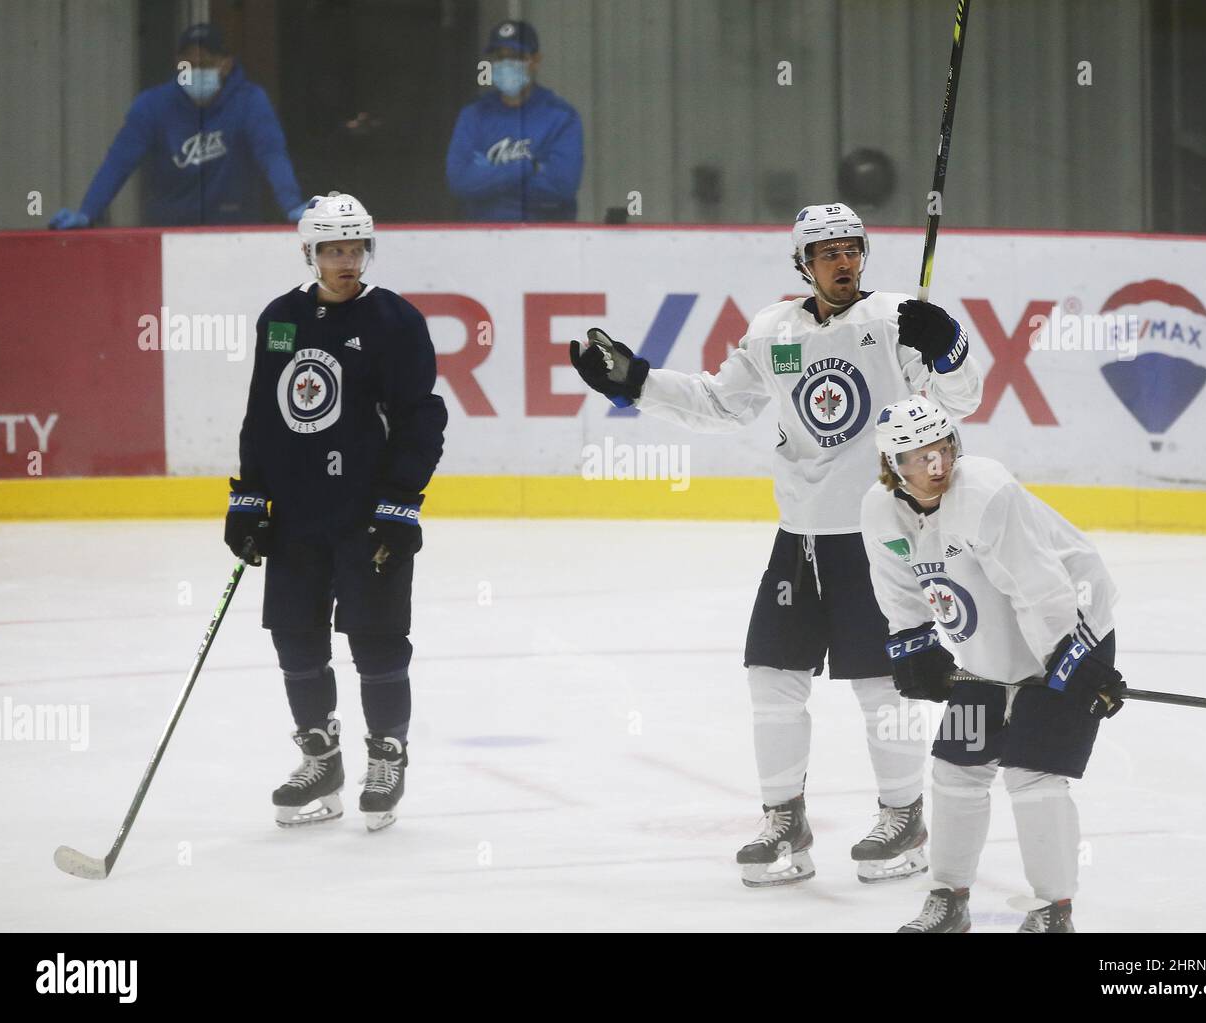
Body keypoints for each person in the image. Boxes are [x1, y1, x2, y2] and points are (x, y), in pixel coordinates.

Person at [569, 203, 982, 887]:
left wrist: (950, 346)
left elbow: (959, 400)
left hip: (877, 533)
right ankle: (785, 821)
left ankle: (903, 817)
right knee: (772, 678)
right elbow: (720, 403)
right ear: (803, 264)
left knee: (882, 685)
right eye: (828, 253)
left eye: (853, 249)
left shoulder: (897, 318)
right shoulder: (774, 330)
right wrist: (636, 382)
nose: (844, 263)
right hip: (800, 535)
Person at [860, 395, 1126, 932]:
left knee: (1033, 774)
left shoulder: (983, 492)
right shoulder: (879, 510)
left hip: (1072, 630)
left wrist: (1075, 667)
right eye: (917, 457)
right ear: (892, 467)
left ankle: (1054, 911)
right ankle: (948, 897)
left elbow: (1042, 589)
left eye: (942, 449)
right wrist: (913, 646)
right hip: (986, 655)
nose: (935, 466)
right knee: (957, 769)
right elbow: (899, 592)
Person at [224, 192, 447, 831]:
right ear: (310, 253)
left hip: (365, 513)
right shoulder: (281, 319)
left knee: (376, 640)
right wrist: (248, 500)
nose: (346, 260)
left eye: (355, 248)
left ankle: (386, 756)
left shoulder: (395, 321)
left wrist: (401, 504)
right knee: (295, 637)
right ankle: (321, 759)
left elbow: (420, 418)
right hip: (296, 514)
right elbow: (263, 415)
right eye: (333, 249)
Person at [49, 23, 306, 229]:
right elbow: (118, 162)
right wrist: (87, 212)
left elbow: (271, 154)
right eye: (188, 64)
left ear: (226, 64)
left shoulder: (249, 101)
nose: (195, 71)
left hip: (234, 228)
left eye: (205, 64)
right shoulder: (153, 105)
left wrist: (292, 205)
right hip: (168, 231)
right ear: (177, 64)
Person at [444, 20, 582, 222]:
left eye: (516, 57)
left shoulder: (561, 116)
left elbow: (562, 187)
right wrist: (527, 167)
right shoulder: (474, 114)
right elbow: (459, 182)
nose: (506, 64)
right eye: (500, 57)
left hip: (547, 237)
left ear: (535, 61)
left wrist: (488, 176)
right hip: (482, 237)